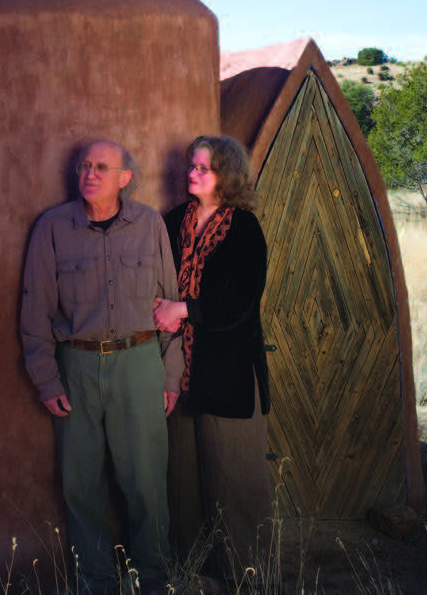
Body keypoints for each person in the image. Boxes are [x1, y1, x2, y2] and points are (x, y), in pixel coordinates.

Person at [21, 139, 182, 594]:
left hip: (139, 364)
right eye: (85, 166)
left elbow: (168, 301)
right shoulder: (52, 228)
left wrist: (170, 374)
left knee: (147, 481)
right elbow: (34, 312)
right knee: (81, 486)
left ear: (124, 178)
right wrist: (46, 378)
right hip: (77, 368)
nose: (90, 174)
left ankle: (153, 579)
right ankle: (95, 582)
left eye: (102, 167)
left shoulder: (149, 224)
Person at [152, 135, 272, 571]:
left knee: (234, 481)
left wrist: (182, 309)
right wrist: (159, 311)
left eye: (204, 168)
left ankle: (247, 575)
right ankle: (192, 573)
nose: (193, 174)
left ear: (228, 175)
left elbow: (241, 302)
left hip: (229, 374)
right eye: (192, 166)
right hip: (177, 371)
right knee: (181, 482)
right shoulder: (172, 221)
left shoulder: (244, 228)